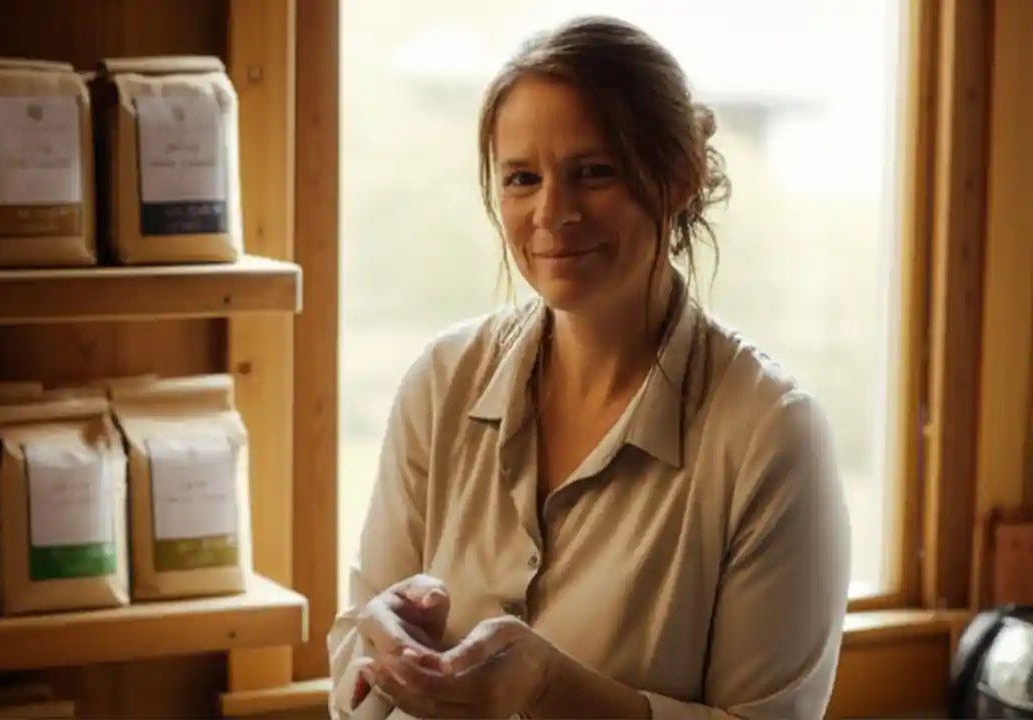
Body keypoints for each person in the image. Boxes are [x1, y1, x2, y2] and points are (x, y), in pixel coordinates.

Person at [328, 15, 851, 720]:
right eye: (521, 178)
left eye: (592, 173)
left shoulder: (772, 435)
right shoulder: (441, 381)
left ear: (679, 178)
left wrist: (552, 690)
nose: (552, 213)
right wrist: (379, 654)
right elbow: (350, 666)